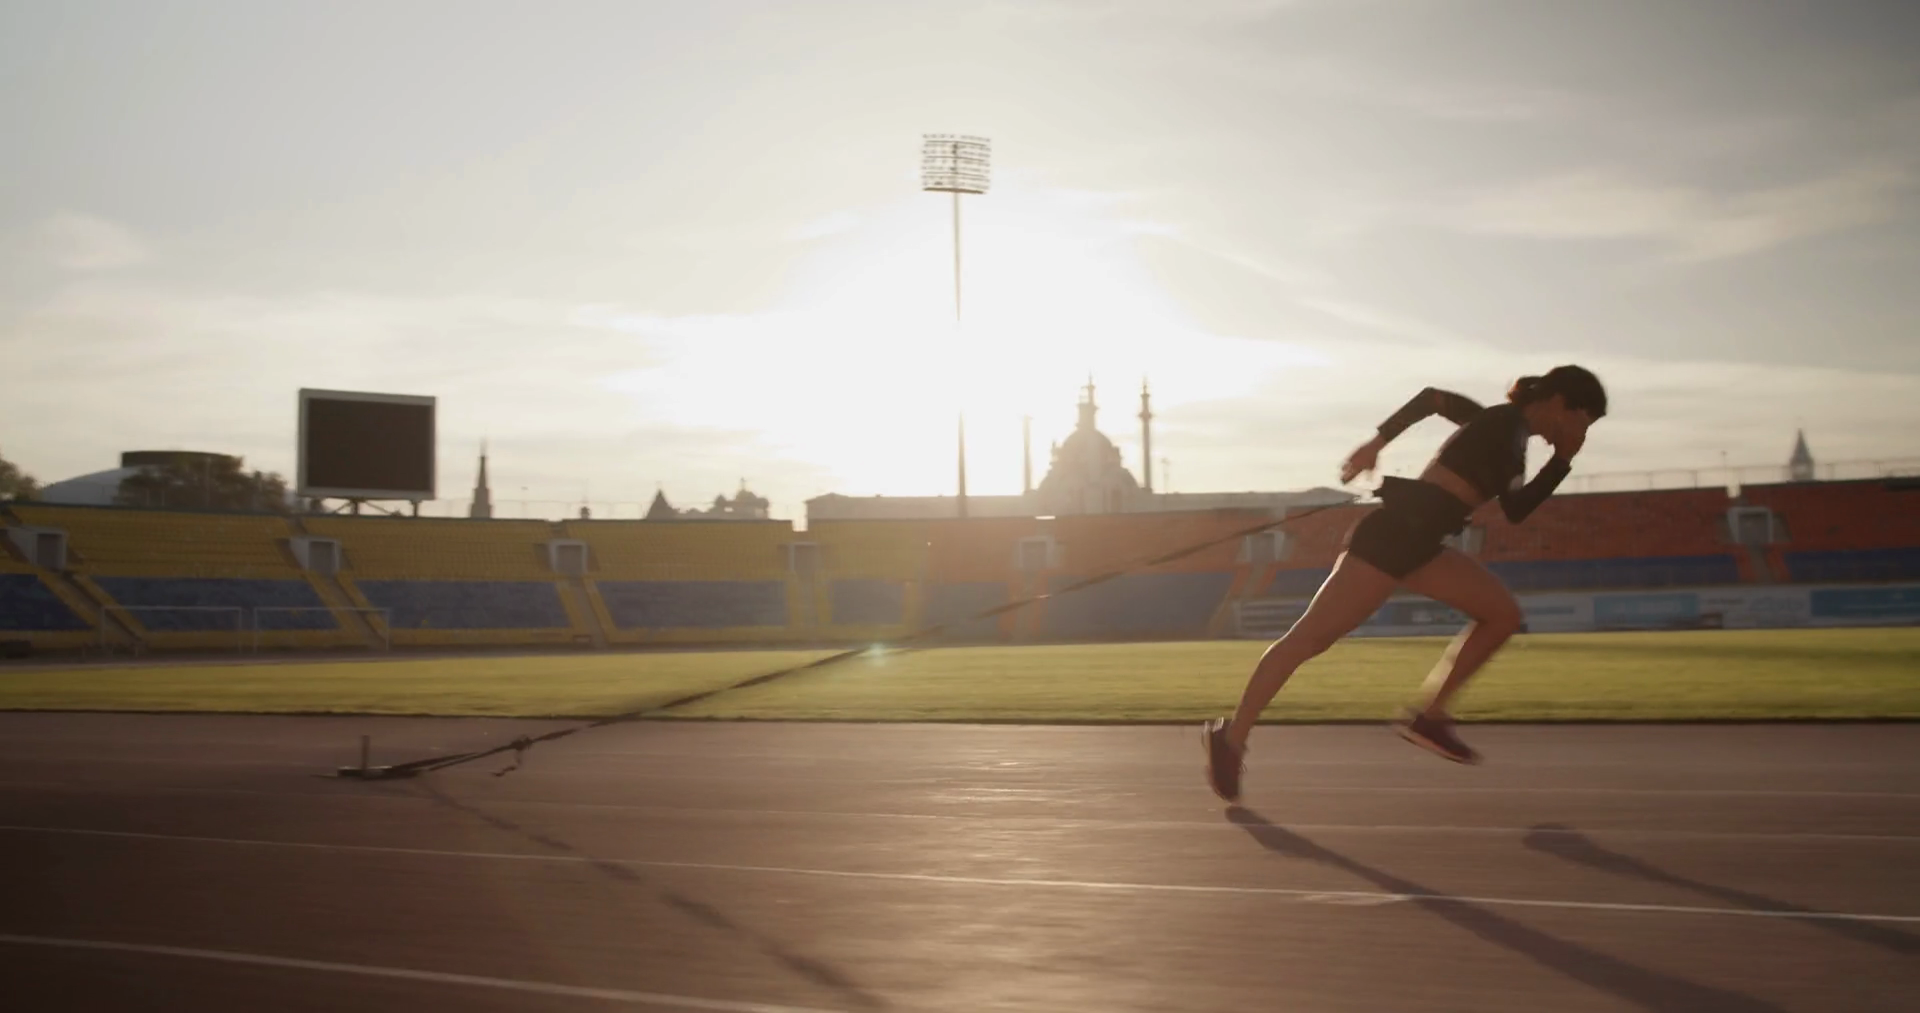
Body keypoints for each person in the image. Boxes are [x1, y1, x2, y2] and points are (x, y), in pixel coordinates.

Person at [1202, 365, 1608, 802]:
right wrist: (1563, 460)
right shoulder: (1504, 424)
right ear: (1561, 403)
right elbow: (1506, 494)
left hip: (1420, 543)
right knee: (1306, 641)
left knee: (1502, 615)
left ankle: (1430, 717)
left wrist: (1561, 460)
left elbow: (1444, 413)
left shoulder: (1506, 429)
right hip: (1392, 539)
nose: (1580, 432)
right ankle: (1231, 737)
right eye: (1584, 420)